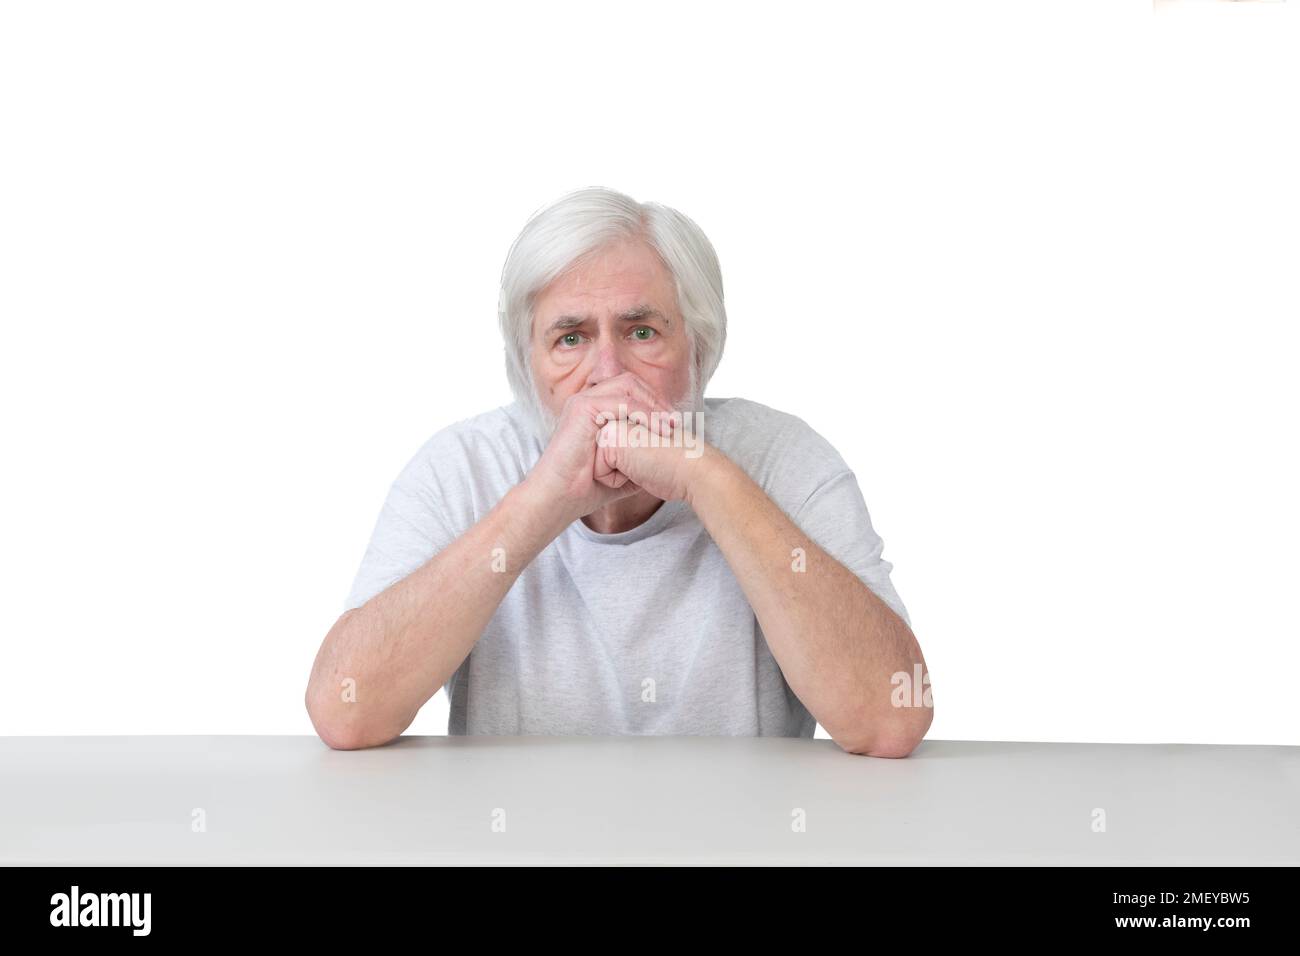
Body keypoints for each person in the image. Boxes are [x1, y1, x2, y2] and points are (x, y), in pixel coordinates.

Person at [305, 186, 933, 756]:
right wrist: (546, 497)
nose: (609, 372)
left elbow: (889, 719)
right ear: (528, 365)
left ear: (700, 347)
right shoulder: (460, 467)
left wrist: (705, 480)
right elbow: (346, 711)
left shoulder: (787, 458)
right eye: (570, 339)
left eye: (641, 331)